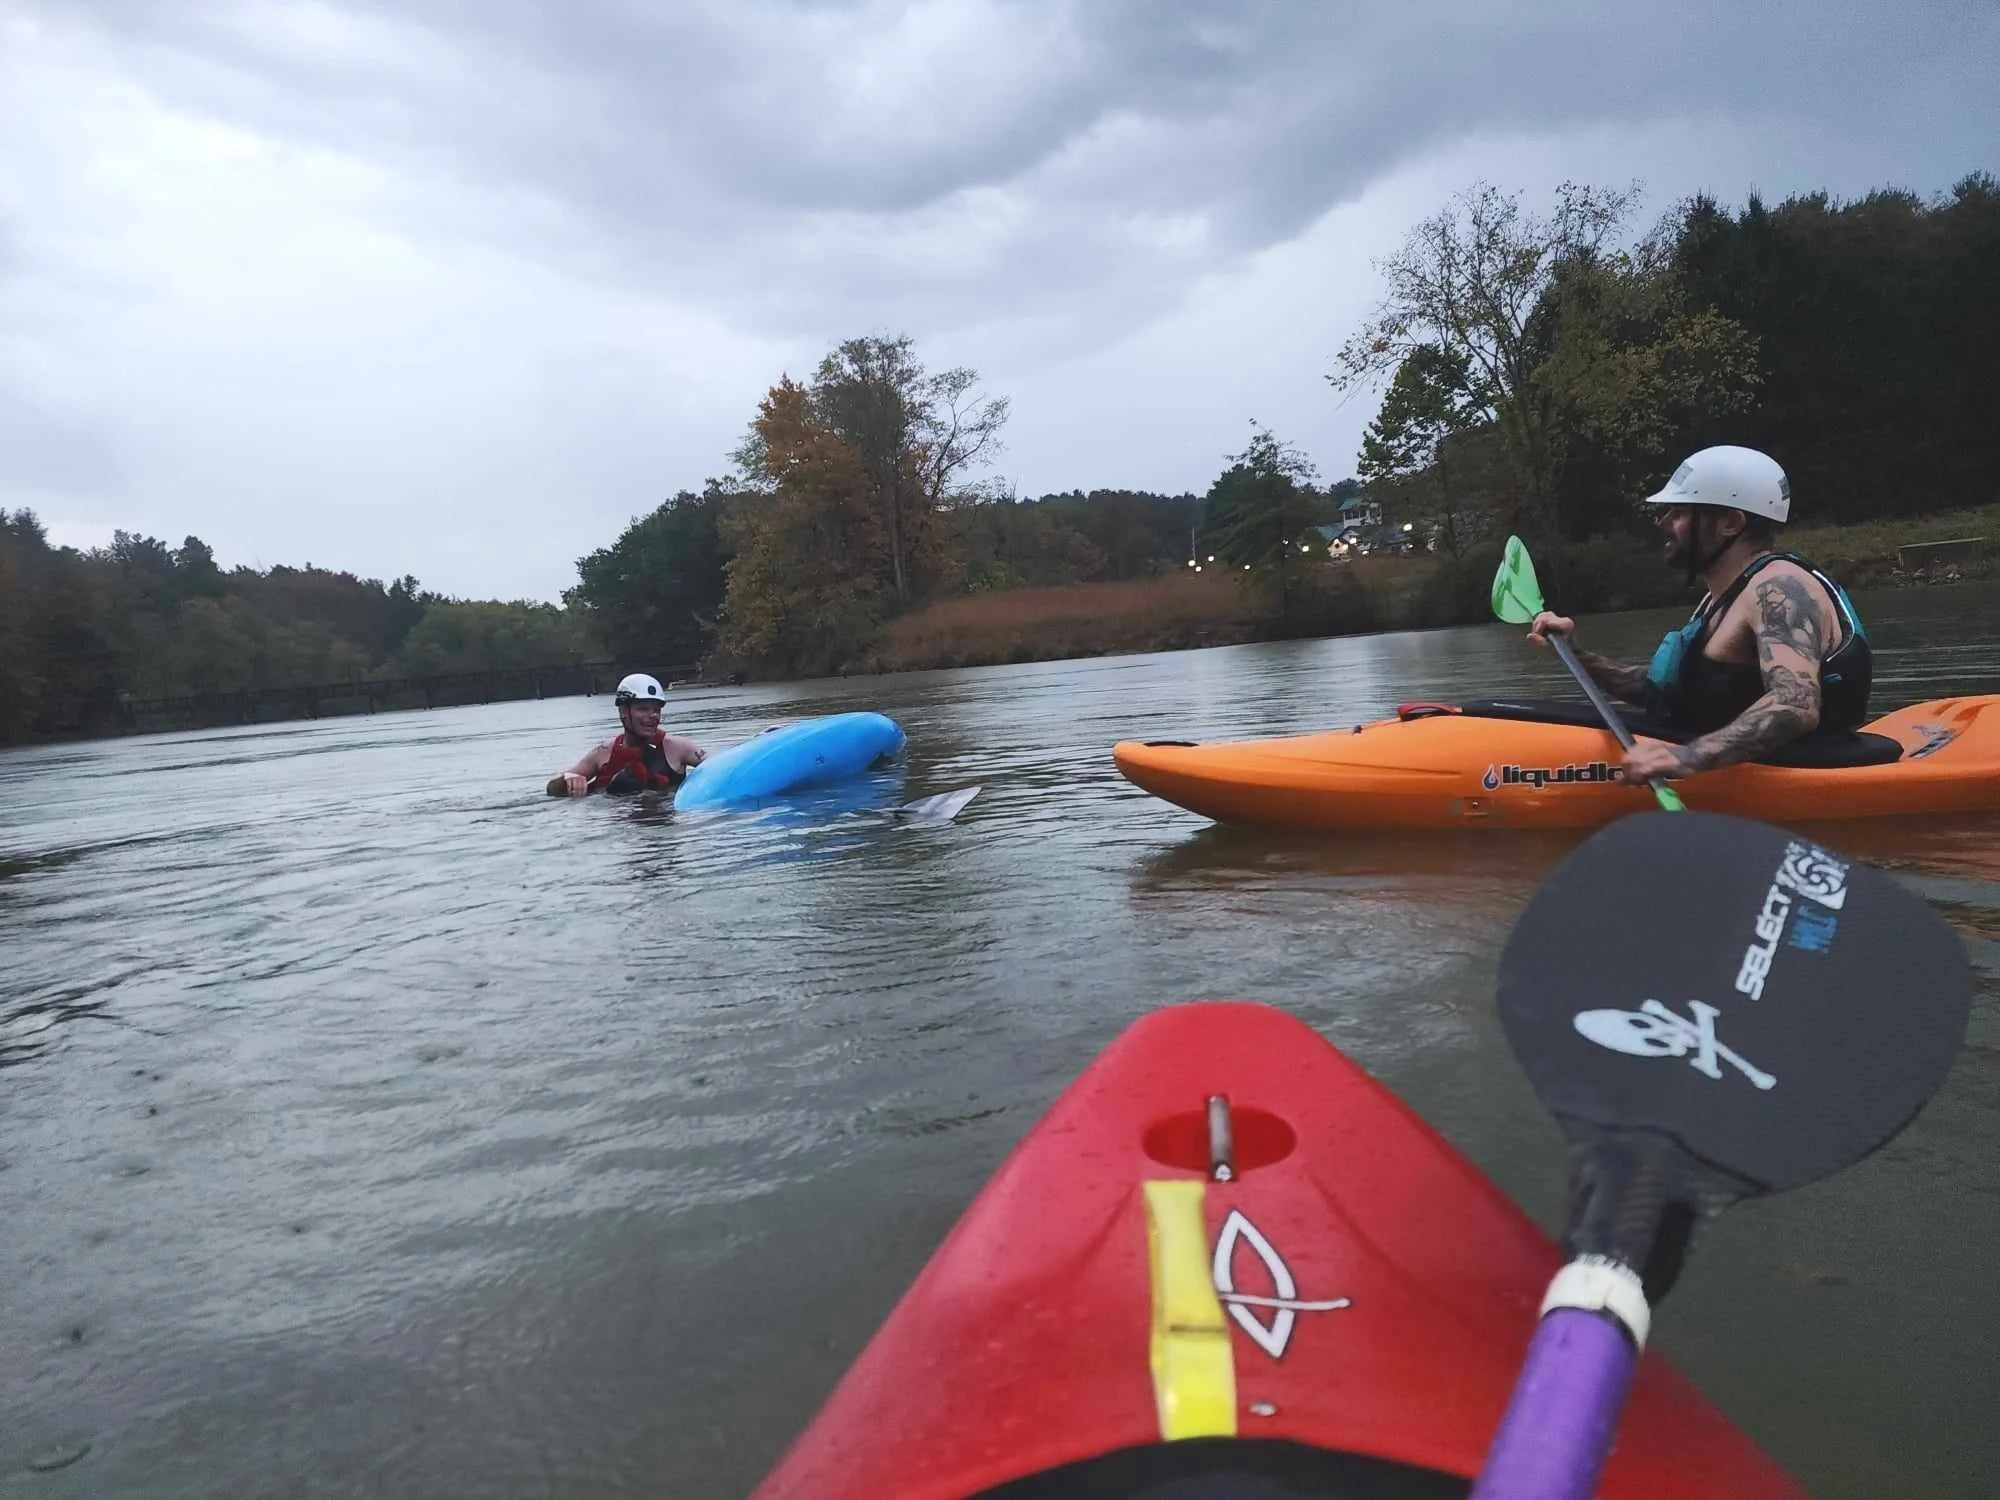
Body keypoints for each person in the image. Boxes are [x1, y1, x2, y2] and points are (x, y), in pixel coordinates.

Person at [1526, 444, 1871, 783]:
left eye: (1678, 513)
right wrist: (1576, 654)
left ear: (1731, 522)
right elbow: (1661, 691)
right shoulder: (1720, 597)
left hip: (1807, 772)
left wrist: (1685, 757)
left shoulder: (1778, 589)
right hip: (1727, 760)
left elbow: (1794, 706)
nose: (1664, 524)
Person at [546, 673, 707, 797]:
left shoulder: (679, 748)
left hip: (663, 827)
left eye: (656, 710)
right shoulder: (602, 752)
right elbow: (553, 787)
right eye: (643, 709)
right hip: (620, 833)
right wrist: (568, 778)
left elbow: (718, 766)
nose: (653, 716)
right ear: (623, 711)